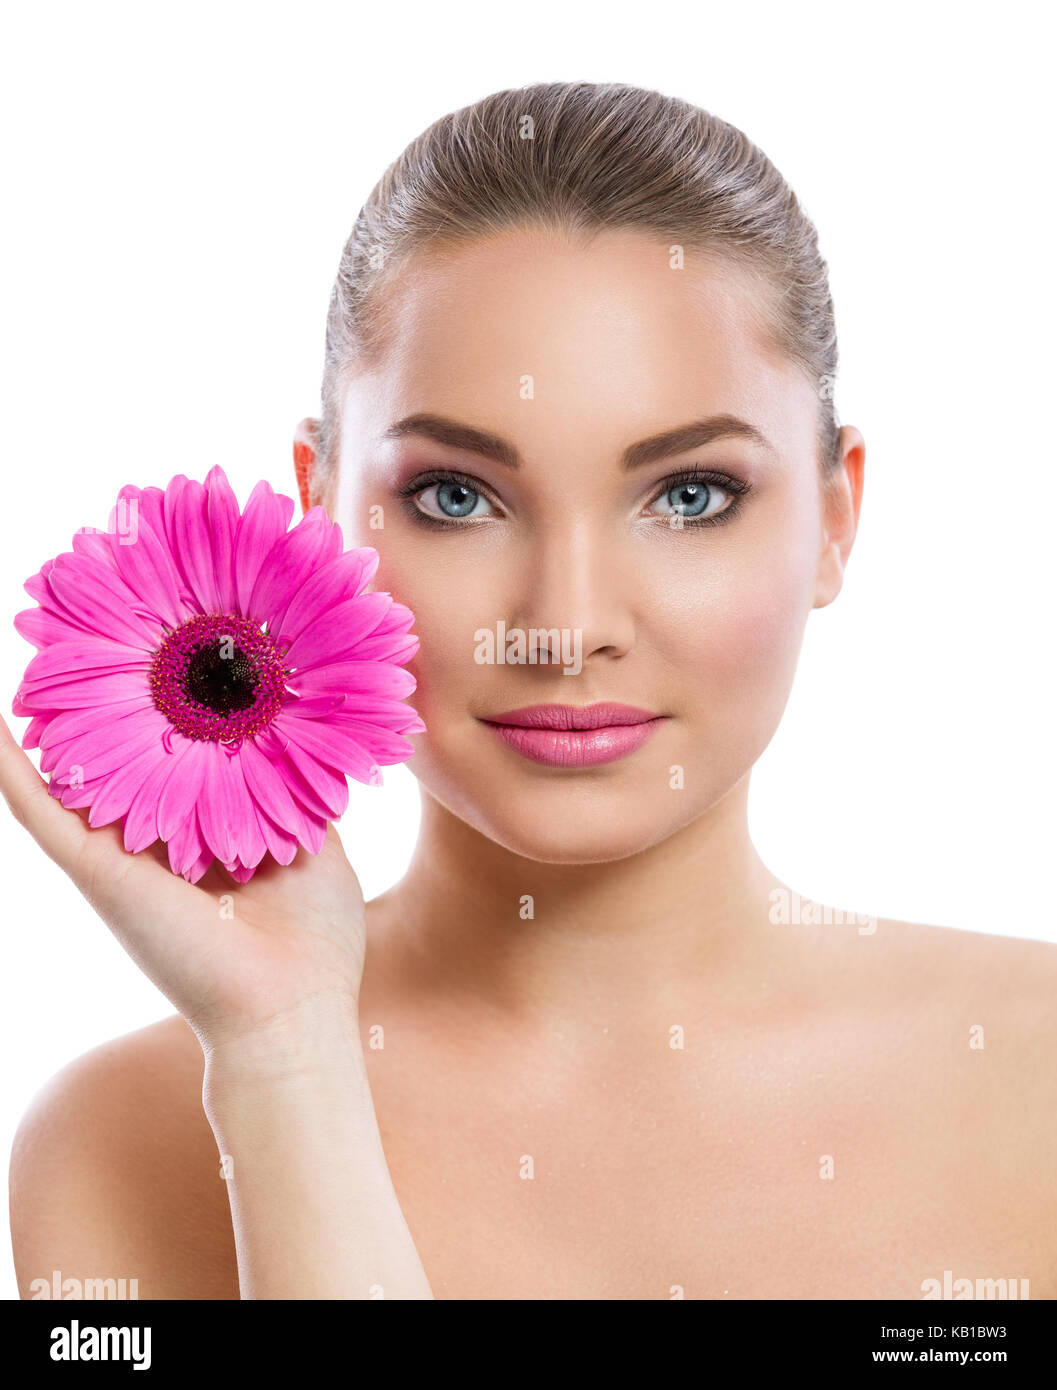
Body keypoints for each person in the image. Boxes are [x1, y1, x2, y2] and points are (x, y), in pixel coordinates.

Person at [5, 81, 1055, 1301]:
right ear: (316, 508)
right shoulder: (117, 1145)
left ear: (835, 518)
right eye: (457, 496)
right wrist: (286, 1064)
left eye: (690, 495)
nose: (563, 630)